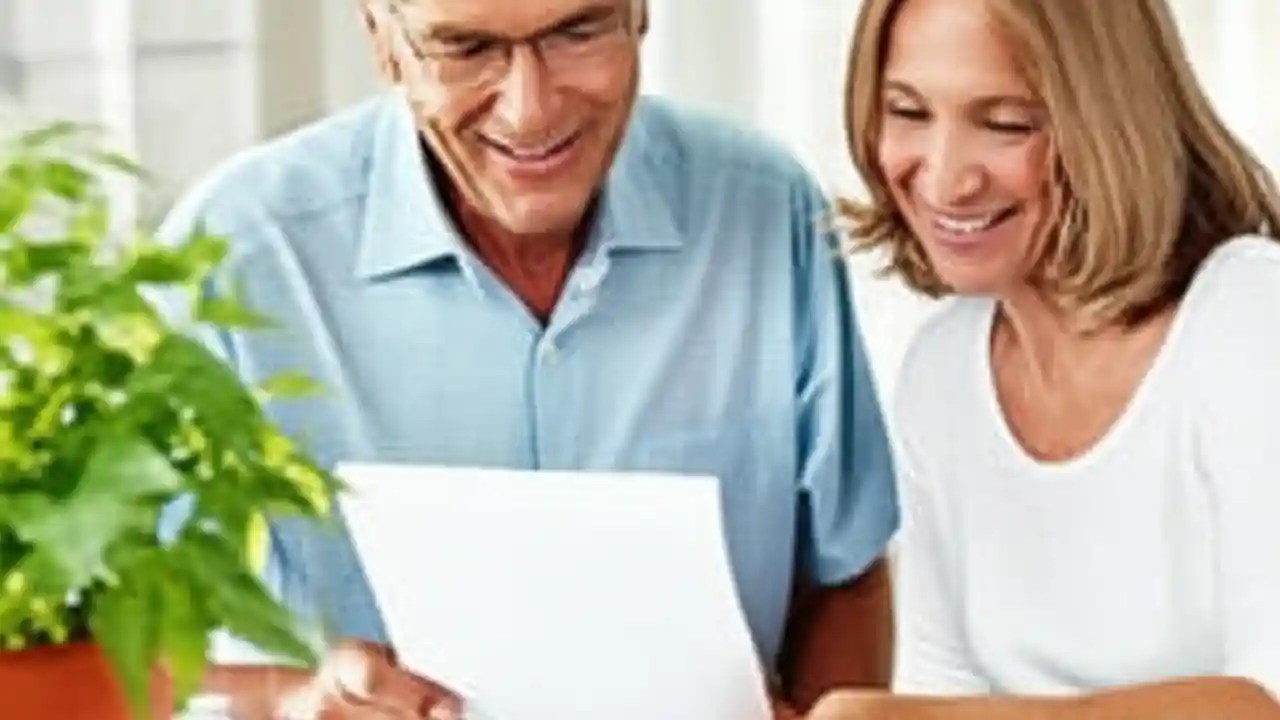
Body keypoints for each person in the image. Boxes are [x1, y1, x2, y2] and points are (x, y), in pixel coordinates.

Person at [156, 0, 900, 717]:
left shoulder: (767, 212)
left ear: (639, 10)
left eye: (578, 30)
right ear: (381, 37)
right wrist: (291, 702)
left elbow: (841, 572)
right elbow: (105, 644)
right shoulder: (235, 255)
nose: (530, 110)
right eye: (466, 48)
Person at [808, 0, 1280, 718]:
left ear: (1112, 121)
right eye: (908, 112)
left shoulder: (1248, 316)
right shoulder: (941, 372)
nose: (944, 179)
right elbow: (942, 685)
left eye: (1005, 124)